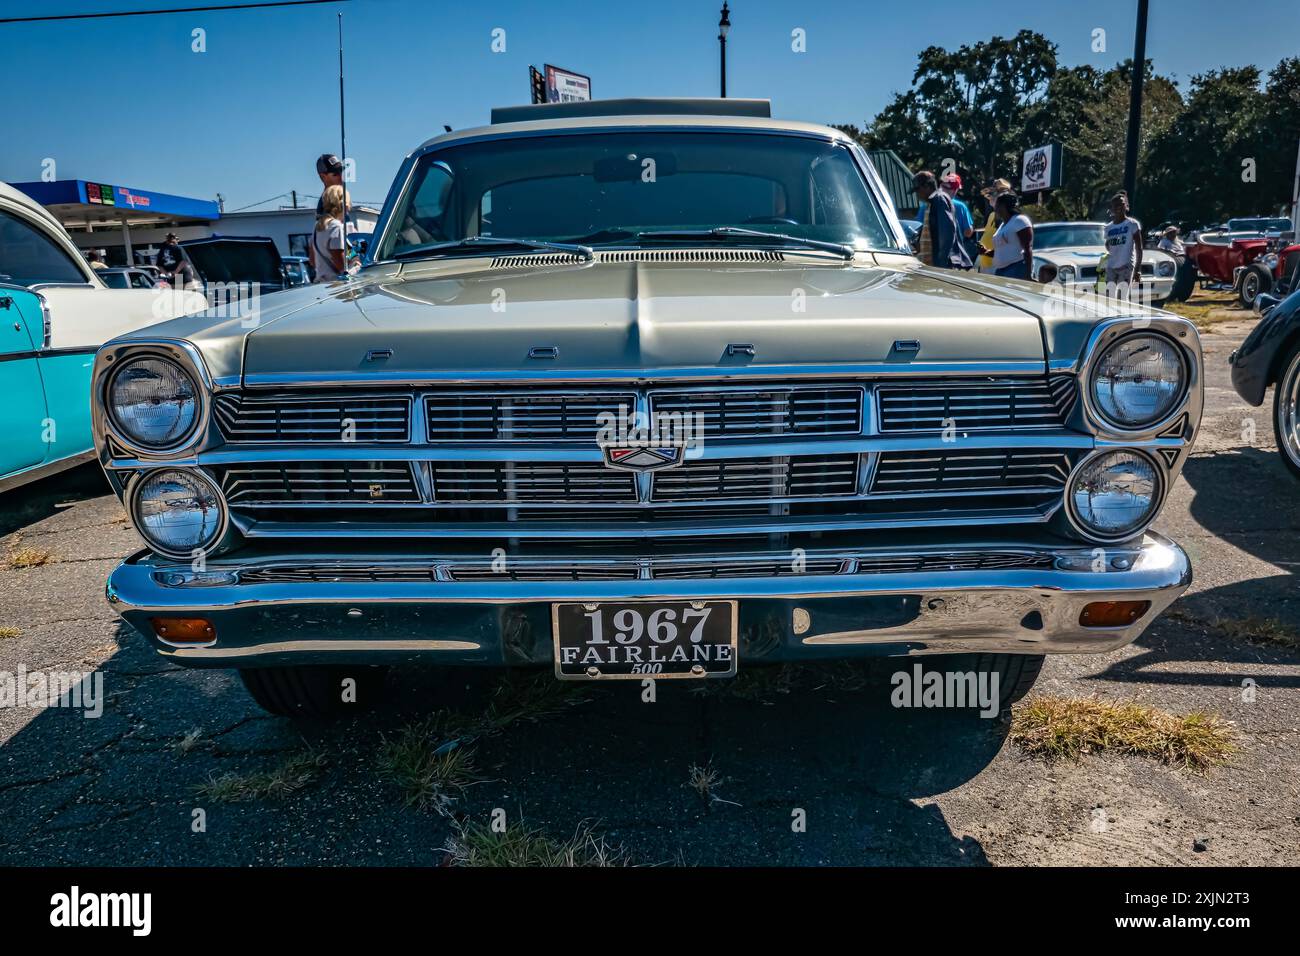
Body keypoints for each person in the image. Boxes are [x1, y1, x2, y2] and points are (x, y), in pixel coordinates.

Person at [911, 170, 970, 269]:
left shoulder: (940, 199)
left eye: (918, 190)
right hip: (933, 265)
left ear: (927, 186)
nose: (917, 194)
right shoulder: (932, 202)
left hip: (941, 266)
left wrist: (941, 264)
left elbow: (947, 233)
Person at [978, 191, 1033, 279]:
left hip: (1016, 269)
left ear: (1004, 206)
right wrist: (986, 252)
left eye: (997, 205)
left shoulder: (1019, 220)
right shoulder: (1003, 225)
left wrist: (1028, 274)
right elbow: (1001, 250)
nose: (995, 209)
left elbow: (1027, 248)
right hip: (1000, 271)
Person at [1104, 192, 1143, 300]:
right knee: (1108, 298)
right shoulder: (1108, 228)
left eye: (1121, 204)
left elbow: (1139, 248)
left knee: (1122, 299)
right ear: (1111, 208)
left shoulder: (1132, 224)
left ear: (1126, 206)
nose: (1118, 207)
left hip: (1126, 267)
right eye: (1115, 205)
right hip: (1111, 267)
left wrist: (1138, 269)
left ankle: (1122, 316)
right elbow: (1108, 245)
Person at [312, 153, 346, 278]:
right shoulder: (326, 205)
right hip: (336, 280)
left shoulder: (336, 198)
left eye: (341, 172)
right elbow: (334, 252)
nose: (341, 178)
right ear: (323, 176)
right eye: (335, 174)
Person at [313, 184, 351, 283]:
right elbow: (340, 262)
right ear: (344, 206)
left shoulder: (318, 227)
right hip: (336, 285)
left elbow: (312, 260)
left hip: (322, 283)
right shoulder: (336, 227)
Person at [977, 179, 1011, 272]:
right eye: (991, 194)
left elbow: (1006, 248)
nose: (991, 197)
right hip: (986, 266)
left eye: (995, 194)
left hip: (997, 267)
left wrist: (986, 252)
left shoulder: (1007, 217)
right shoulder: (992, 215)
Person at [941, 172, 976, 264]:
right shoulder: (960, 207)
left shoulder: (927, 205)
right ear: (955, 189)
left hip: (930, 254)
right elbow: (968, 232)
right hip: (954, 255)